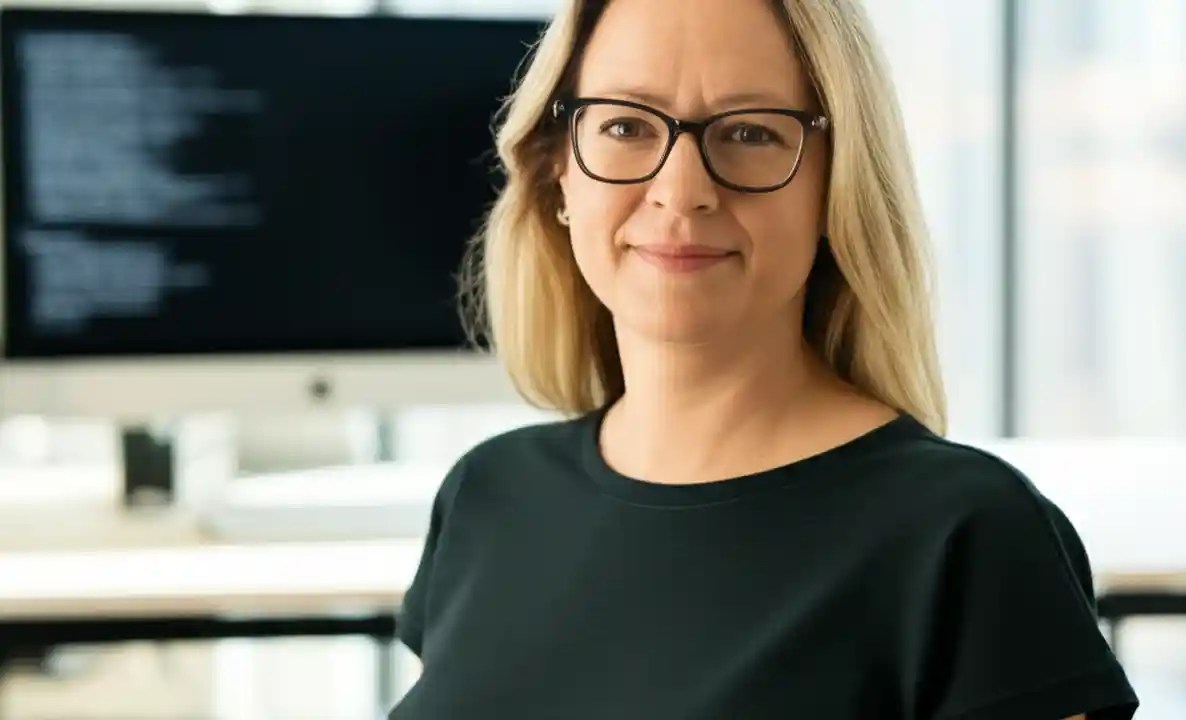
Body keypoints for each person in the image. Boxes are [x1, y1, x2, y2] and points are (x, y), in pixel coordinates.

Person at [391, 0, 1141, 717]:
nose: (681, 191)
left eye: (750, 134)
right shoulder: (487, 498)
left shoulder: (965, 537)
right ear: (558, 169)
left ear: (835, 184)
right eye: (625, 125)